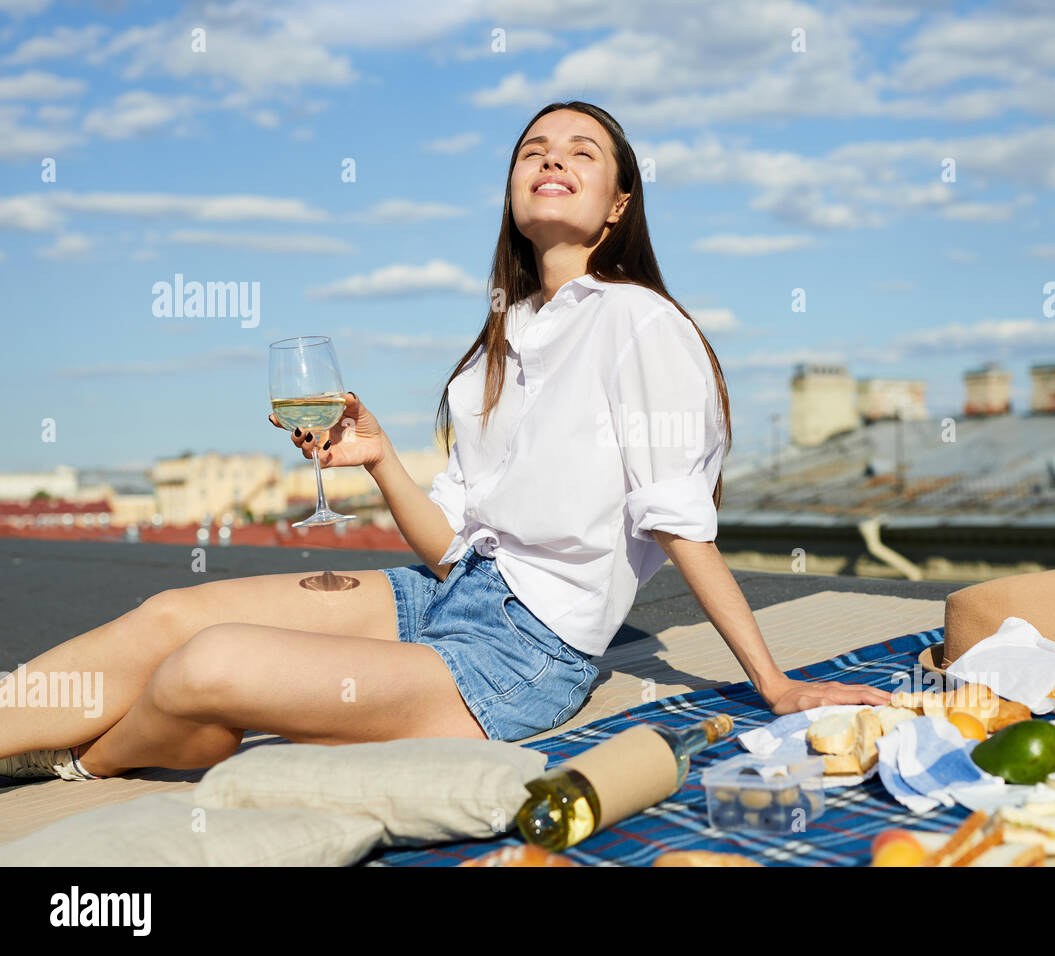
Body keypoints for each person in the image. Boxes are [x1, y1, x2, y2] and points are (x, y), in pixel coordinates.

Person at [0, 101, 888, 782]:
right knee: (170, 616)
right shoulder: (497, 345)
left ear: (618, 207)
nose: (552, 159)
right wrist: (383, 460)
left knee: (207, 664)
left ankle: (84, 762)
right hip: (444, 593)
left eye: (583, 154)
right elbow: (450, 546)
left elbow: (675, 519)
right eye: (534, 149)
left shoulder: (639, 322)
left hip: (522, 652)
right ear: (512, 188)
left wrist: (774, 686)